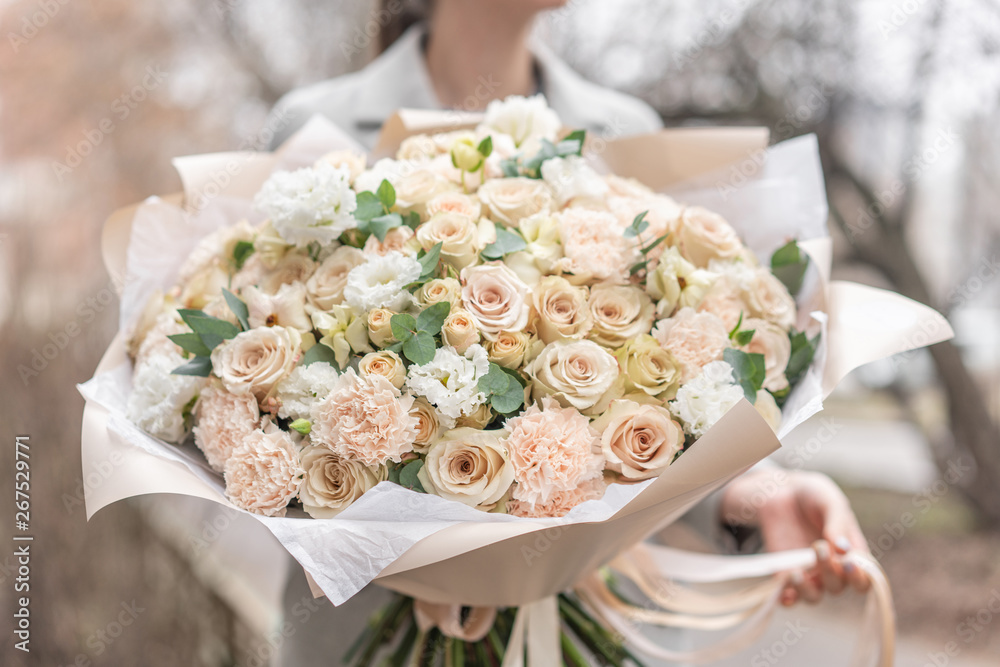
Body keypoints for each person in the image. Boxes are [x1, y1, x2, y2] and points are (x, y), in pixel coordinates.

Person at [266, 1, 871, 663]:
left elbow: (665, 388)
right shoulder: (314, 127)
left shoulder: (624, 129)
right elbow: (271, 403)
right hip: (370, 634)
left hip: (590, 619)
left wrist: (756, 491)